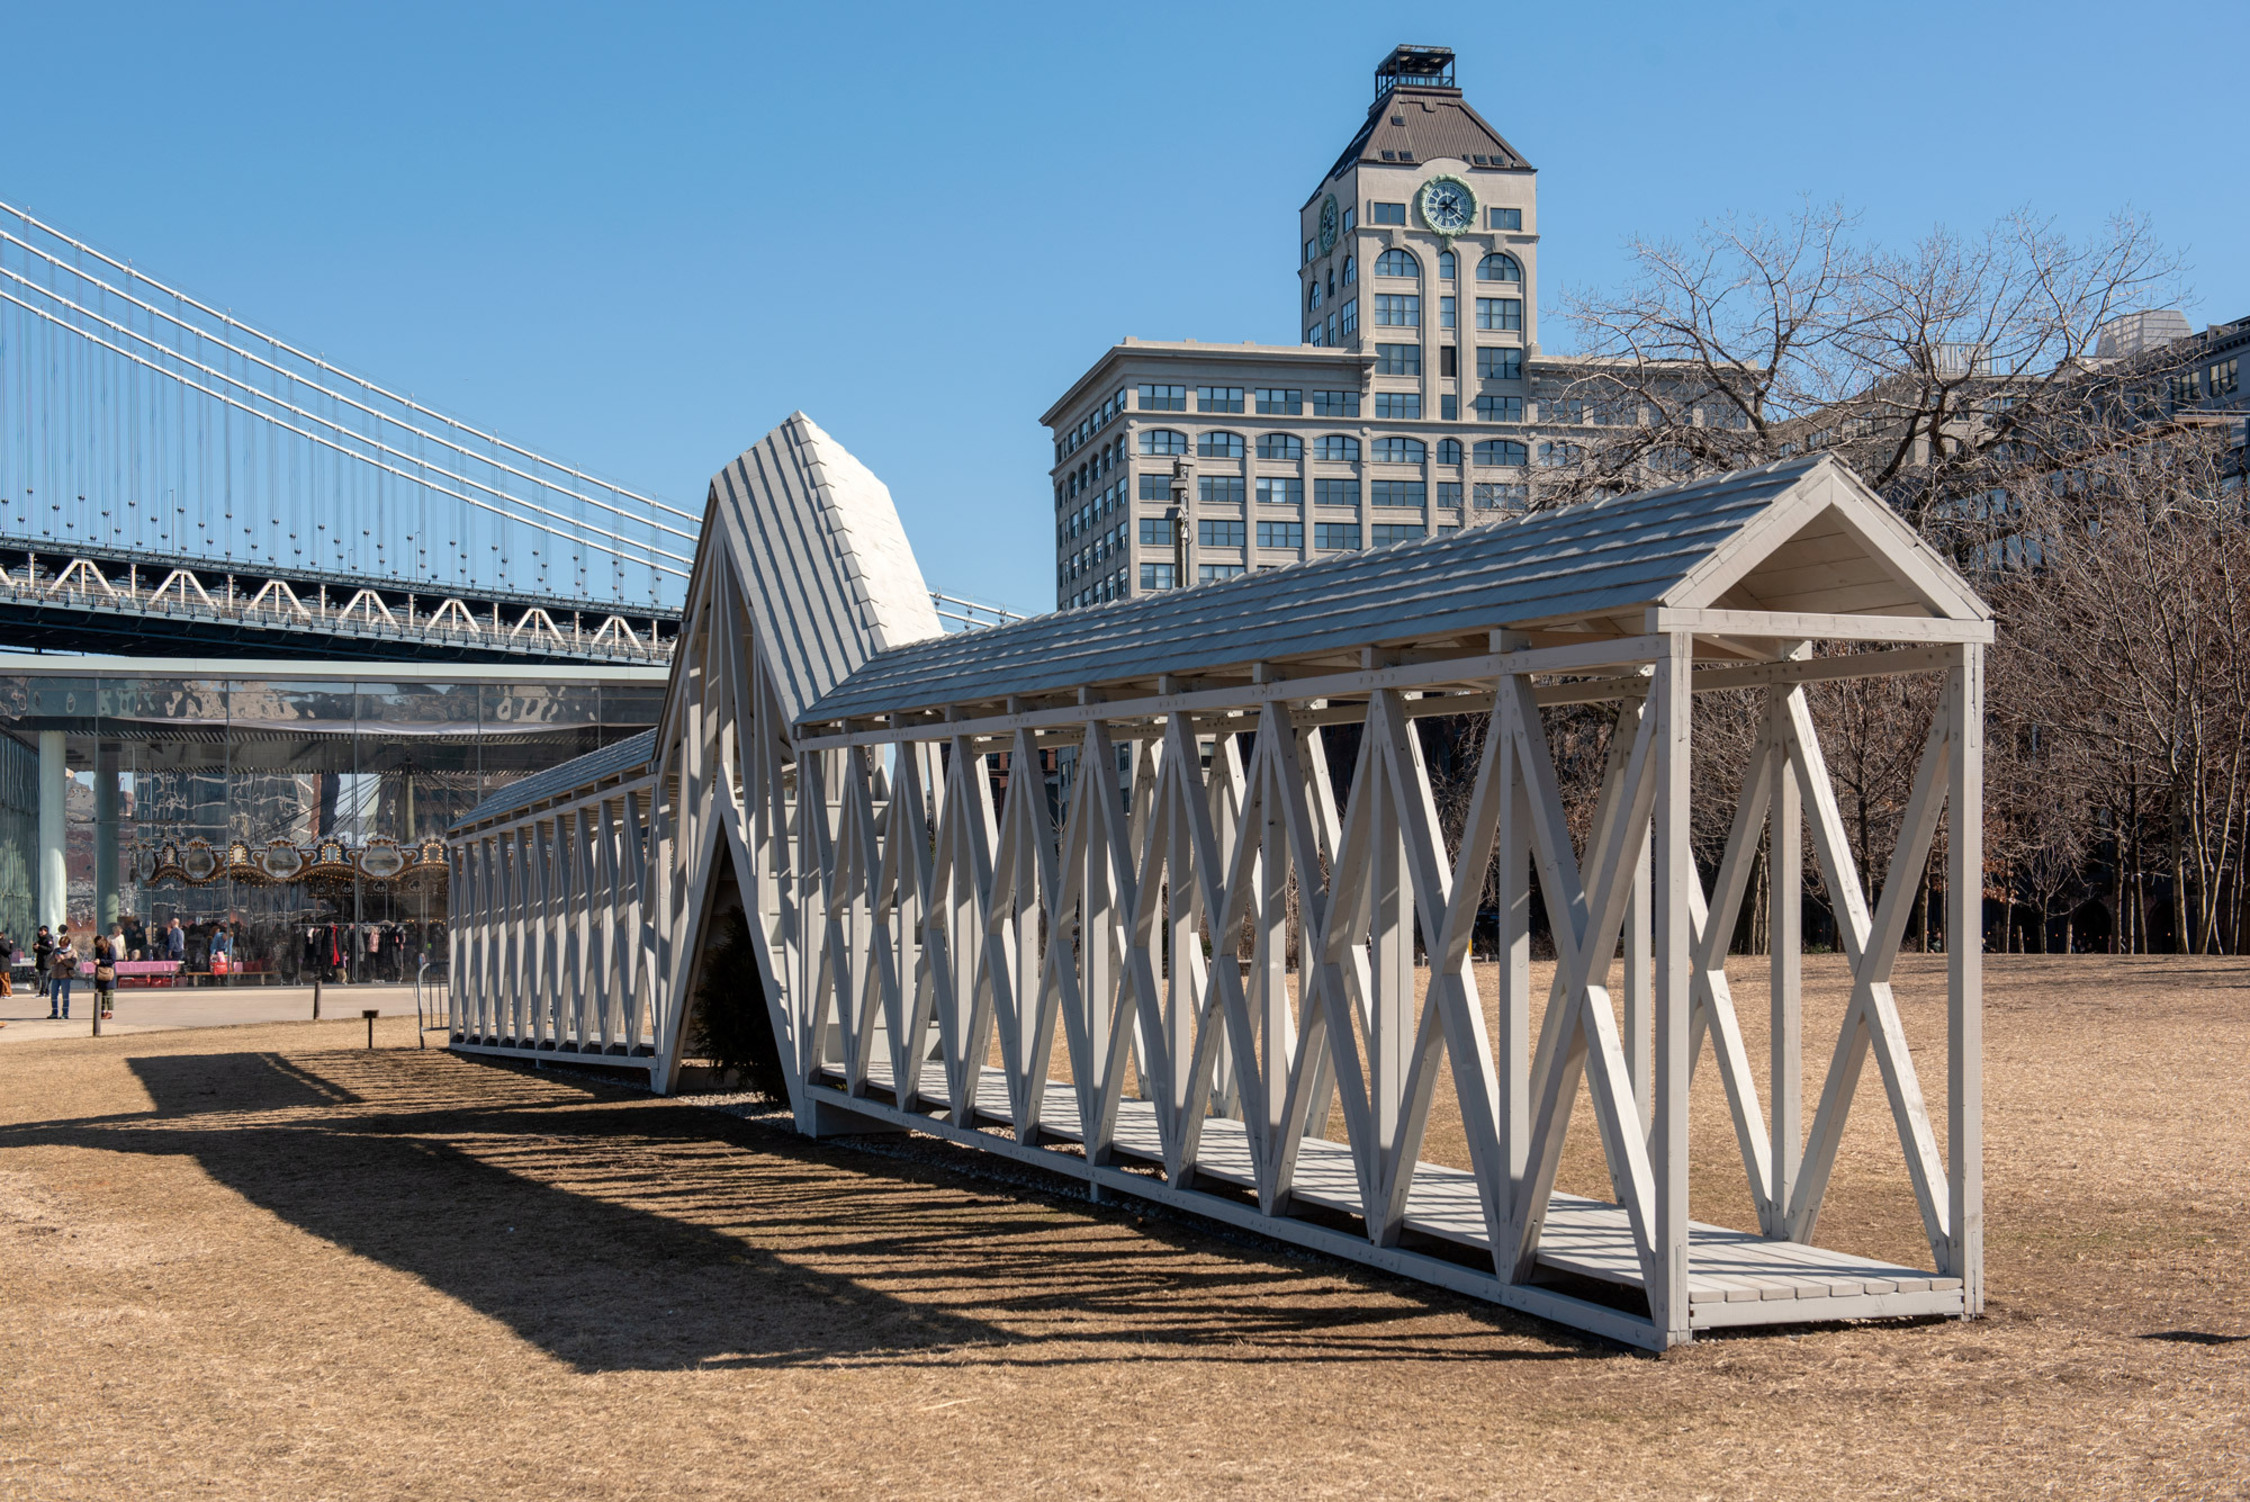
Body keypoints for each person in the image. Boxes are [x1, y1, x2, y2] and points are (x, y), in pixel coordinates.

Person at [48, 926, 76, 1021]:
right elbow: (50, 962)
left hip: (65, 976)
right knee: (54, 994)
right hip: (55, 975)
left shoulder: (72, 951)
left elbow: (72, 963)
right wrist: (55, 959)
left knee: (65, 995)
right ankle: (54, 1012)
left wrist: (64, 960)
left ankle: (65, 1013)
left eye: (64, 945)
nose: (62, 946)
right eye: (61, 944)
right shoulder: (56, 950)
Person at [91, 931, 117, 1021]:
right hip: (100, 973)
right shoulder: (97, 949)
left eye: (98, 944)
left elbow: (112, 960)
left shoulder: (111, 948)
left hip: (108, 973)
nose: (97, 946)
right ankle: (101, 1011)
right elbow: (97, 957)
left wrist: (101, 961)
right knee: (100, 993)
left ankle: (109, 1012)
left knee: (108, 994)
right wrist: (96, 960)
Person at [32, 925, 52, 998]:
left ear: (46, 931)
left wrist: (40, 947)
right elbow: (38, 950)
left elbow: (50, 949)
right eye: (40, 931)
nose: (40, 932)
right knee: (43, 977)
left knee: (44, 977)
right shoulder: (40, 939)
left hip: (45, 960)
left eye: (42, 931)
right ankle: (46, 992)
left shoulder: (48, 939)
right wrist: (35, 947)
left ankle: (42, 992)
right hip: (40, 960)